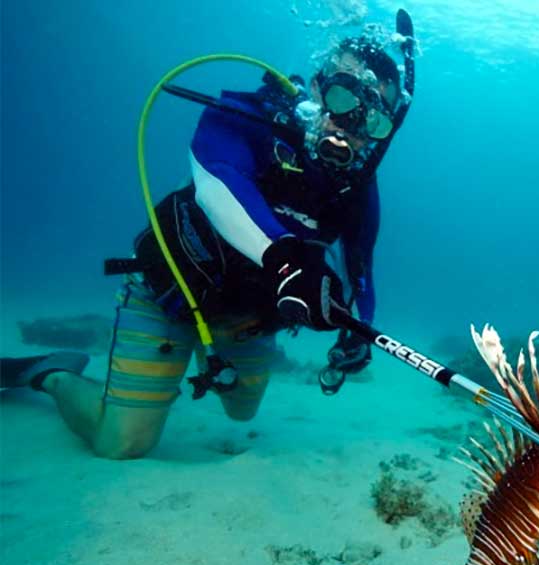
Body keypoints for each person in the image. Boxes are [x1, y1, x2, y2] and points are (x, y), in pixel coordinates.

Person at [0, 22, 415, 459]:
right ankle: (52, 374)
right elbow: (217, 181)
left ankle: (201, 359)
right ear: (316, 86)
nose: (349, 122)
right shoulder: (243, 118)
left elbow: (360, 269)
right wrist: (288, 261)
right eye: (343, 95)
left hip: (247, 317)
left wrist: (359, 331)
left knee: (242, 412)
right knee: (121, 443)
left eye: (372, 117)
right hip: (169, 294)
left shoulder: (357, 191)